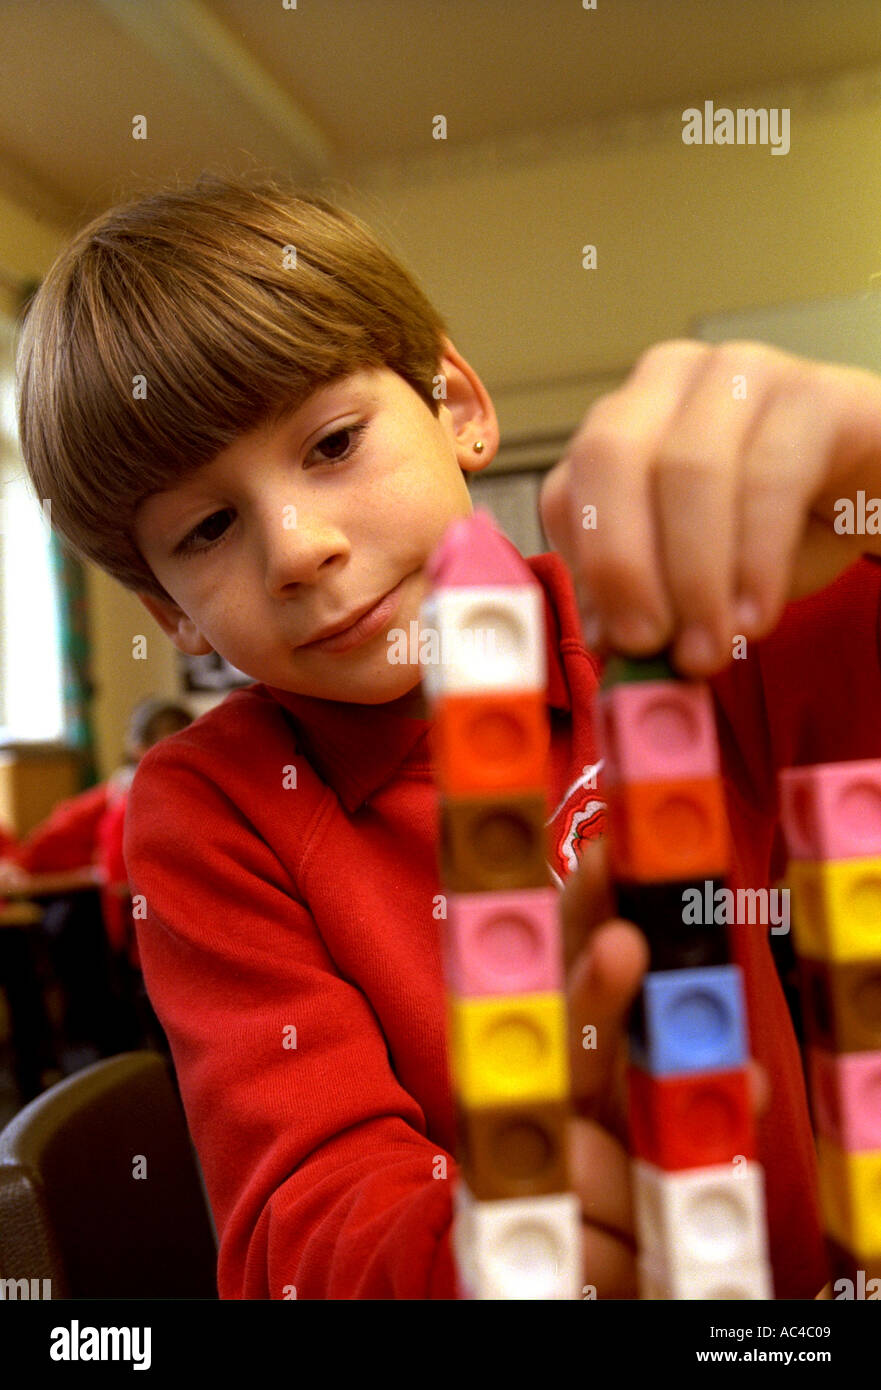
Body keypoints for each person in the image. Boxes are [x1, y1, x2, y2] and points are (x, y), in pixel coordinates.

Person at [14, 170, 881, 1300]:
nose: (296, 546)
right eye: (209, 527)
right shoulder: (212, 809)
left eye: (330, 443)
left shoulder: (668, 623)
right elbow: (299, 1225)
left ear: (458, 404)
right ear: (172, 612)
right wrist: (498, 1255)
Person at [0, 697, 191, 1064]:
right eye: (165, 745)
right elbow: (40, 854)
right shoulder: (121, 803)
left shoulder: (198, 794)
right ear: (138, 750)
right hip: (142, 934)